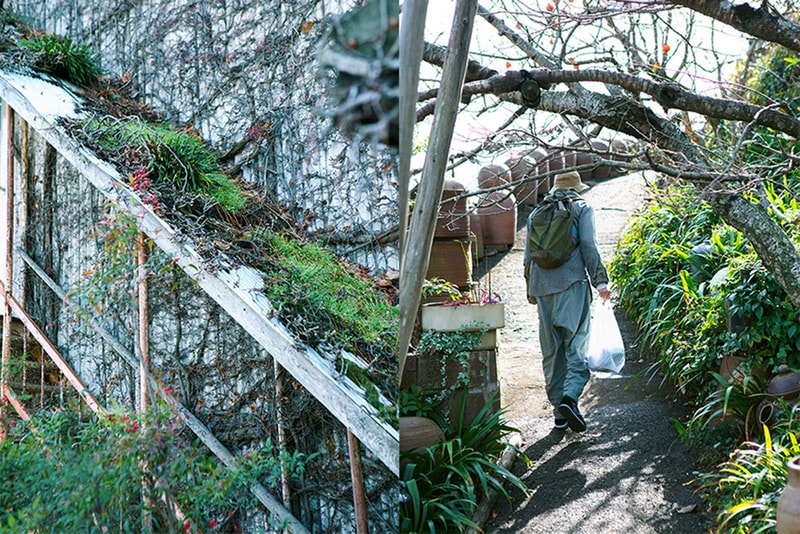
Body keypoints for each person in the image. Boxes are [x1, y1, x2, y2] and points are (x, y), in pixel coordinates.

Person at [523, 170, 611, 432]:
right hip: (571, 283)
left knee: (552, 349)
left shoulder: (535, 213)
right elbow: (588, 245)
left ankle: (558, 412)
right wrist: (601, 281)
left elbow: (528, 256)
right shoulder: (581, 208)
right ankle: (570, 399)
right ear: (577, 189)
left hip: (541, 287)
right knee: (576, 342)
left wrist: (531, 290)